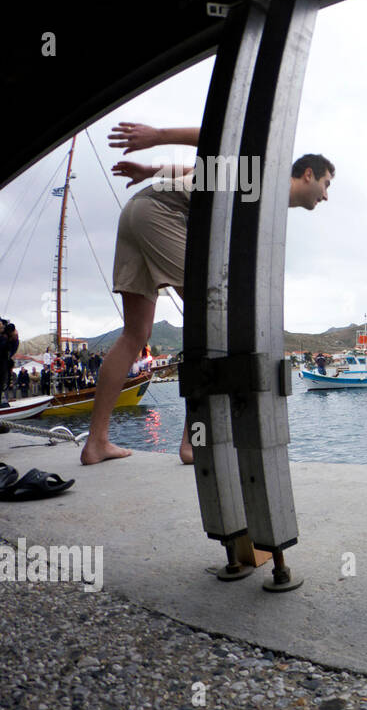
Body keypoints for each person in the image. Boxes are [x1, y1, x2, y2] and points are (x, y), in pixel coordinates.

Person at [80, 121, 334, 465]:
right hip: (163, 213)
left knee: (135, 333)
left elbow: (196, 170)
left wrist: (150, 170)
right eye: (326, 184)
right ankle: (193, 443)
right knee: (217, 322)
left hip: (140, 209)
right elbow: (223, 134)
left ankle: (96, 443)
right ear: (308, 174)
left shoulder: (257, 191)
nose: (326, 195)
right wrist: (157, 137)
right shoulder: (267, 175)